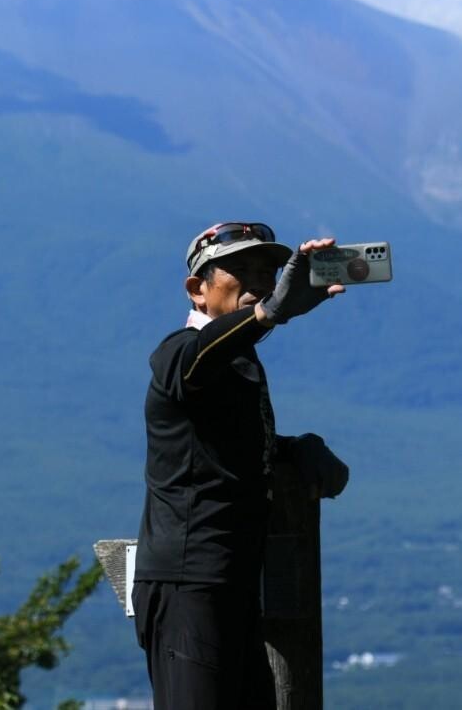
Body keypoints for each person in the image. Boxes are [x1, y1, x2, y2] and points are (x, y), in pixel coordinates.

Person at [132, 222, 351, 709]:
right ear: (197, 290)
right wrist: (268, 312)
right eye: (239, 269)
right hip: (189, 585)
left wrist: (292, 450)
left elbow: (222, 450)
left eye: (268, 271)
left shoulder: (240, 364)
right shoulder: (177, 353)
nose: (258, 279)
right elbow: (192, 363)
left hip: (232, 583)